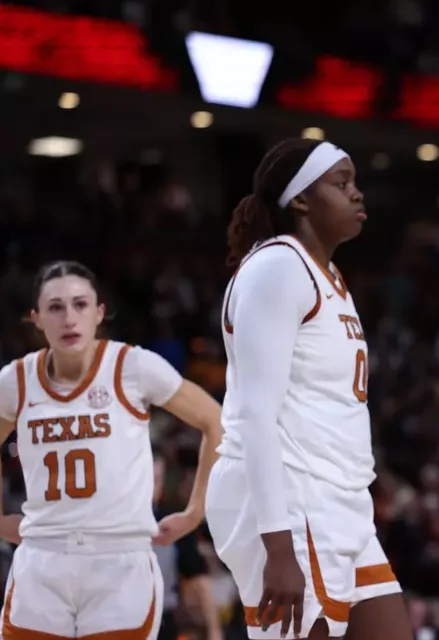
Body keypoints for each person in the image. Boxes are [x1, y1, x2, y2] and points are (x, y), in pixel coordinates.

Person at [204, 138, 412, 640]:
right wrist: (278, 546)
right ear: (300, 199)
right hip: (289, 499)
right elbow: (255, 414)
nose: (357, 195)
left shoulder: (328, 274)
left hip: (337, 499)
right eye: (341, 185)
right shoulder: (278, 266)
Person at [0, 260, 223, 640]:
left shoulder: (132, 366)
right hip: (42, 559)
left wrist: (196, 511)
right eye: (55, 307)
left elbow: (214, 420)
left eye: (80, 304)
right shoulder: (16, 380)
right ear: (36, 318)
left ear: (99, 312)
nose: (69, 318)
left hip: (119, 559)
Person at [152, 449, 224, 640]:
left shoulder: (172, 523)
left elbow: (200, 579)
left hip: (163, 621)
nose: (153, 487)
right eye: (149, 479)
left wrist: (214, 631)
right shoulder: (110, 523)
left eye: (157, 480)